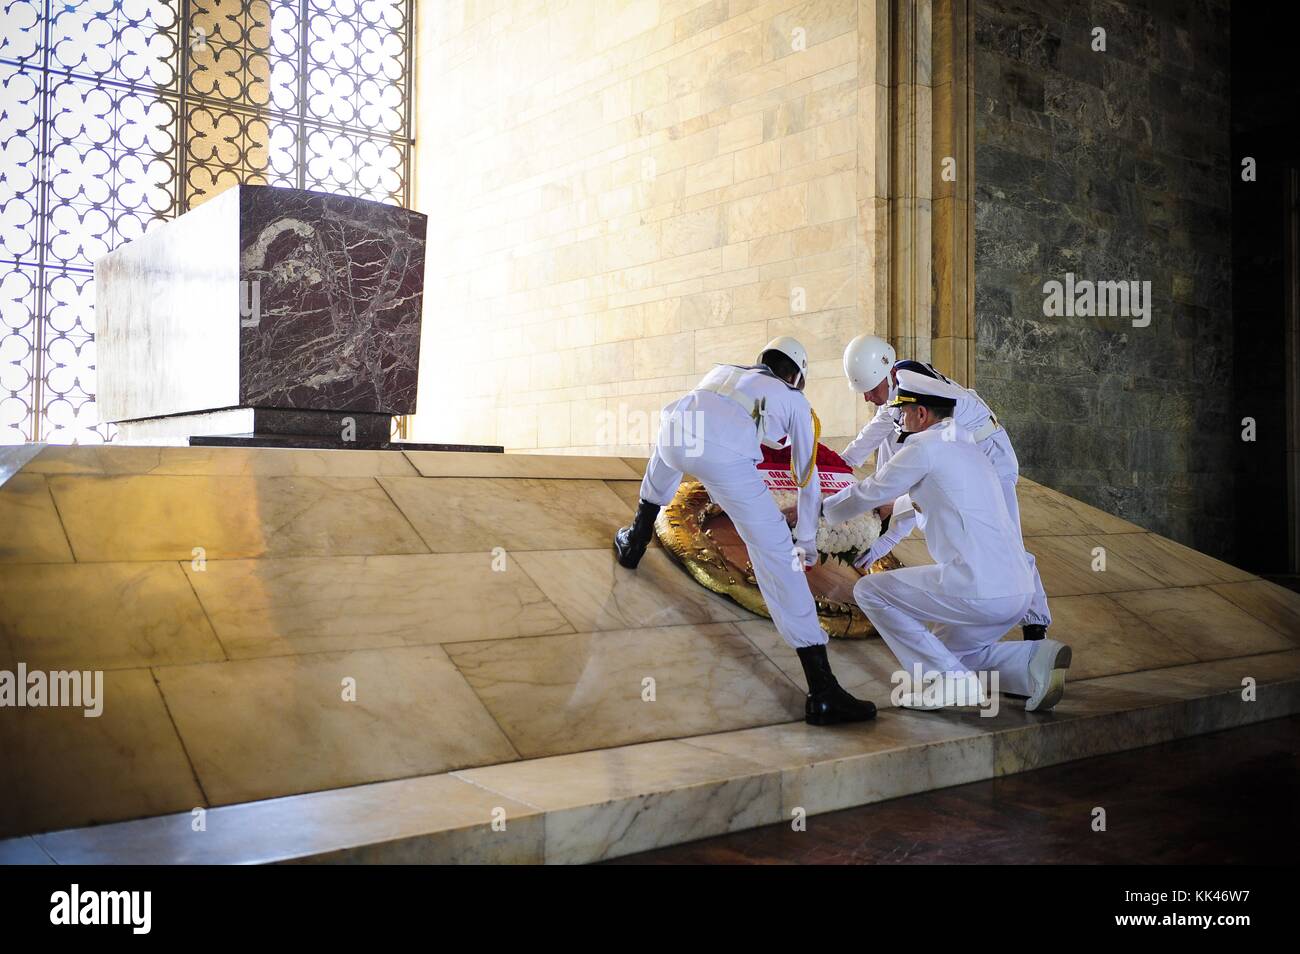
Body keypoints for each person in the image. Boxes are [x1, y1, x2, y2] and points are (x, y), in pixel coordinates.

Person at [614, 336, 877, 725]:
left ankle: (635, 539)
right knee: (775, 555)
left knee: (669, 445)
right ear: (797, 378)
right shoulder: (794, 399)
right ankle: (823, 691)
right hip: (725, 456)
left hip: (674, 429)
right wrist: (805, 541)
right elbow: (806, 477)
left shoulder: (722, 371)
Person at [822, 370, 1072, 711]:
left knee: (869, 591)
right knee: (948, 655)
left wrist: (814, 513)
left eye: (903, 411)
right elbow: (912, 504)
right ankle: (1031, 661)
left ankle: (951, 684)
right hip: (1016, 593)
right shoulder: (970, 454)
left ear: (921, 414)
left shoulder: (923, 447)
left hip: (979, 588)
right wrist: (876, 547)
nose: (899, 419)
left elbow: (869, 492)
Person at [839, 334, 1053, 641]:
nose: (866, 398)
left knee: (1008, 541)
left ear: (884, 377)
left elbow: (911, 488)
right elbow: (869, 442)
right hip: (966, 456)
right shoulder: (900, 394)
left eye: (869, 390)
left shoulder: (917, 395)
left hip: (990, 457)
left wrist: (883, 511)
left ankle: (1035, 625)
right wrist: (835, 465)